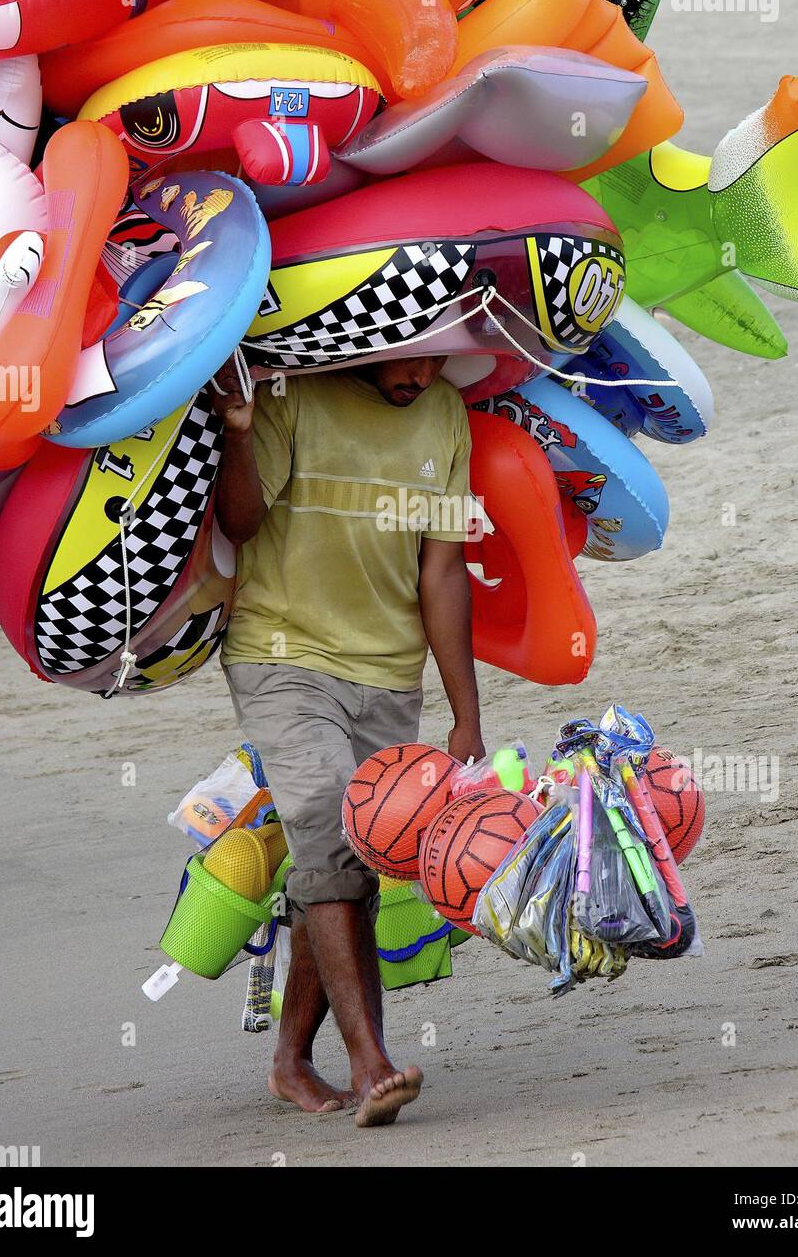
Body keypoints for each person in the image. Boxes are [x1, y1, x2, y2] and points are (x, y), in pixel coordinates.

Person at [211, 354, 485, 1127]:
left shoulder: (445, 414)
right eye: (410, 352)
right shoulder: (294, 395)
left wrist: (466, 712)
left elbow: (443, 570)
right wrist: (238, 431)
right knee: (335, 828)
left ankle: (291, 1058)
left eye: (440, 351)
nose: (424, 370)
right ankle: (372, 1065)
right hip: (281, 656)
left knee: (359, 855)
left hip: (389, 676)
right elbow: (241, 520)